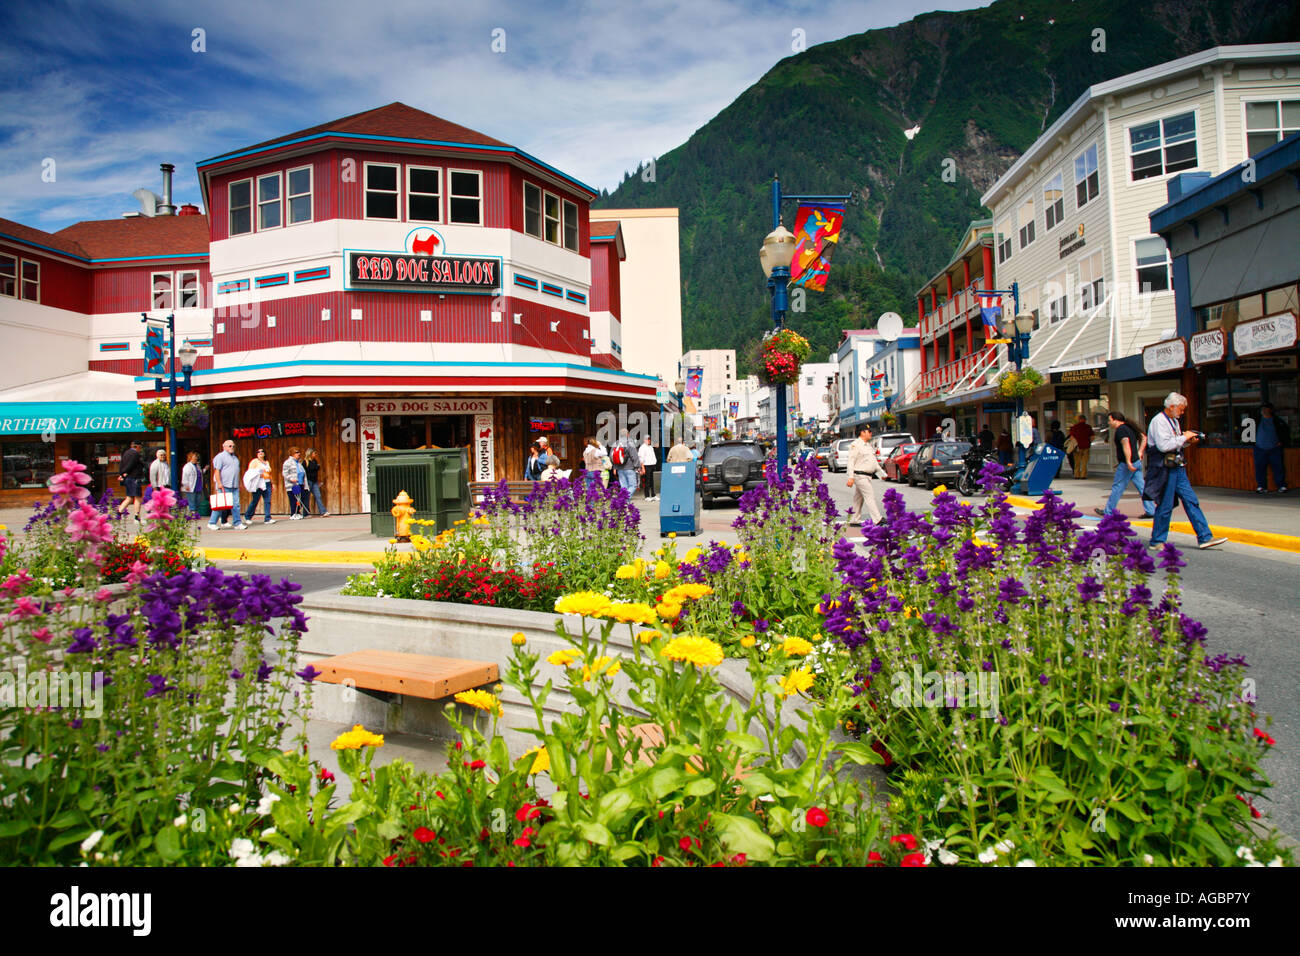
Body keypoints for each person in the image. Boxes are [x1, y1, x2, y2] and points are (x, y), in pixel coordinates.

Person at [1144, 392, 1227, 550]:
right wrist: (1184, 437)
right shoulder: (1159, 421)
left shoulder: (1173, 421)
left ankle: (1205, 537)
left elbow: (1175, 444)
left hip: (1177, 466)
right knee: (1165, 505)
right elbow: (1163, 446)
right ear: (1172, 406)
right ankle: (1157, 540)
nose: (1182, 413)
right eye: (1181, 410)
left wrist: (1187, 441)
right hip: (1165, 469)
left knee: (1191, 500)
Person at [1095, 411, 1155, 518]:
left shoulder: (1121, 430)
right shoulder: (1130, 427)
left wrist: (1128, 461)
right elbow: (1144, 438)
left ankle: (1108, 511)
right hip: (1136, 462)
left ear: (1115, 420)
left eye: (1109, 420)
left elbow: (1125, 444)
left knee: (1118, 487)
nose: (1109, 423)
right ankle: (1151, 510)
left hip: (1127, 464)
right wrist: (1140, 452)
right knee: (1142, 487)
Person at [845, 423, 884, 526]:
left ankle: (854, 519)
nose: (871, 433)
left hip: (867, 475)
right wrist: (850, 477)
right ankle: (877, 519)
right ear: (862, 432)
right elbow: (851, 461)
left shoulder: (868, 446)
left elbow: (873, 462)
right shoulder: (856, 445)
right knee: (869, 496)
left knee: (858, 499)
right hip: (860, 475)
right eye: (869, 431)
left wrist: (881, 473)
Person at [209, 439, 247, 530]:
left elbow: (236, 472)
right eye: (230, 446)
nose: (232, 447)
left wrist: (240, 483)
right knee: (220, 504)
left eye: (233, 446)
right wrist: (219, 483)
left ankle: (237, 523)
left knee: (236, 505)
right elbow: (217, 471)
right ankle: (212, 522)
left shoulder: (235, 458)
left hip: (234, 485)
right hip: (224, 485)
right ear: (224, 447)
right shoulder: (220, 457)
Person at [1253, 403, 1289, 494]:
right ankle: (1261, 487)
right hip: (1260, 448)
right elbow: (1248, 431)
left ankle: (1281, 486)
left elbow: (1285, 431)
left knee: (1278, 467)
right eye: (1262, 409)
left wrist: (1282, 442)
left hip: (1274, 449)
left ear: (1270, 410)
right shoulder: (1256, 421)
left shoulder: (1277, 421)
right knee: (1260, 468)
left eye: (1265, 409)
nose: (1263, 411)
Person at [243, 449, 276, 525]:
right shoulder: (254, 461)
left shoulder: (267, 462)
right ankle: (248, 516)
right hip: (258, 483)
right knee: (255, 500)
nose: (260, 453)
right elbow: (250, 472)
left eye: (262, 452)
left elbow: (269, 474)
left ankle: (267, 518)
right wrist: (258, 474)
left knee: (267, 501)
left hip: (267, 483)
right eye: (258, 452)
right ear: (257, 454)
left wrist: (272, 483)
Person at [116, 440, 146, 521]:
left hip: (128, 478)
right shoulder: (135, 454)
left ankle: (119, 512)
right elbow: (131, 465)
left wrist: (121, 474)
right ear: (137, 446)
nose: (141, 449)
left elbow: (121, 464)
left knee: (129, 497)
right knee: (138, 497)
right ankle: (136, 516)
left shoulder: (126, 453)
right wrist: (123, 473)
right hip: (134, 477)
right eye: (140, 447)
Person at [611, 429, 639, 494]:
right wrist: (637, 466)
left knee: (624, 487)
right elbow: (634, 456)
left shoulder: (615, 443)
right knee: (633, 486)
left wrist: (615, 467)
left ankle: (624, 502)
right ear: (627, 435)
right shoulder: (630, 443)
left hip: (620, 468)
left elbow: (611, 456)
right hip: (629, 468)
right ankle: (624, 499)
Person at [282, 447, 307, 519]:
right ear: (292, 454)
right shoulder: (288, 462)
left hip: (300, 483)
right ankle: (293, 513)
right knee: (293, 499)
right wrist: (291, 478)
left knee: (300, 498)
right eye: (296, 452)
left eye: (299, 452)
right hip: (292, 484)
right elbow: (285, 473)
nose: (299, 454)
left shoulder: (298, 462)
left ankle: (298, 512)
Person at [1068, 415, 1095, 479]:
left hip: (1077, 447)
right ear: (1085, 419)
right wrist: (1089, 442)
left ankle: (1076, 475)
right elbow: (1092, 437)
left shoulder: (1074, 427)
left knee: (1077, 462)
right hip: (1086, 446)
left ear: (1078, 419)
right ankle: (1083, 475)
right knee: (1084, 462)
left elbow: (1071, 438)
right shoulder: (1088, 427)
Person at [304, 448, 329, 515]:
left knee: (318, 496)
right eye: (314, 453)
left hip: (314, 481)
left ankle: (323, 511)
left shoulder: (314, 461)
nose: (315, 455)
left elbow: (317, 468)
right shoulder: (305, 462)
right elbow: (305, 472)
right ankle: (305, 513)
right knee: (307, 497)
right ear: (310, 454)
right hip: (308, 481)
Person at [638, 436, 658, 500]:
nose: (649, 440)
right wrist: (643, 468)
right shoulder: (642, 448)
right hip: (646, 465)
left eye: (649, 439)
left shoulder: (650, 447)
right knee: (647, 481)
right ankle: (647, 496)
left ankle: (653, 495)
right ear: (644, 440)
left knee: (652, 481)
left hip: (652, 465)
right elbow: (641, 459)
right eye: (647, 439)